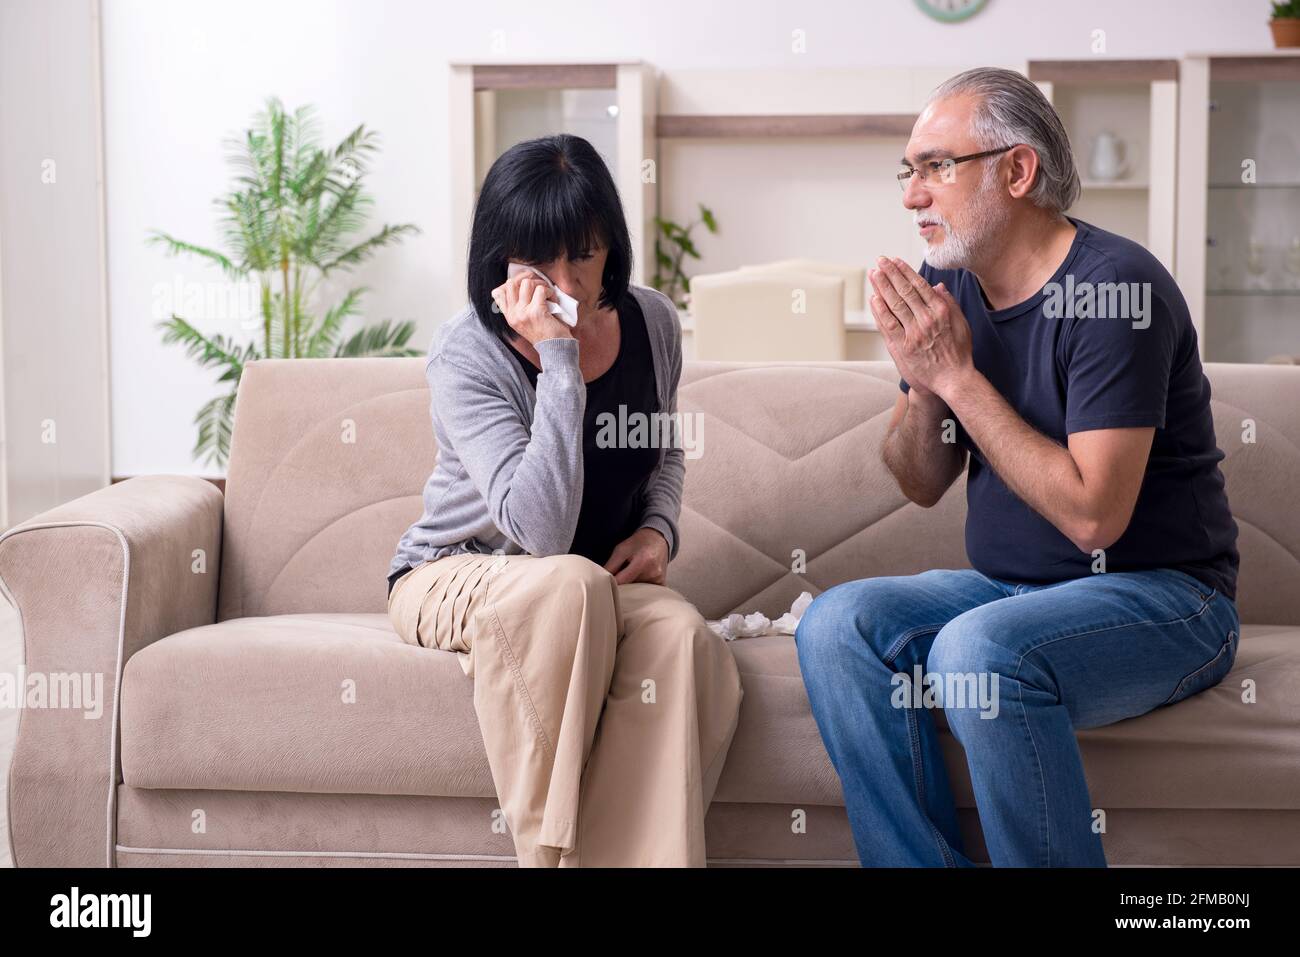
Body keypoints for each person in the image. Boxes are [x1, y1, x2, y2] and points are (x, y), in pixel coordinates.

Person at [795, 67, 1240, 867]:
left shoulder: (1115, 290)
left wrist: (960, 376)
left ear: (1017, 170)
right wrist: (927, 384)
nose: (911, 195)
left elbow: (1093, 515)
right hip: (1012, 593)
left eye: (936, 166)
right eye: (908, 171)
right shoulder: (949, 284)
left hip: (1170, 598)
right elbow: (920, 480)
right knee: (836, 627)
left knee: (980, 651)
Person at [387, 133, 743, 867]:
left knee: (681, 634)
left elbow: (663, 448)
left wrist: (658, 531)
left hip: (588, 584)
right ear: (499, 259)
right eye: (537, 260)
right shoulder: (468, 352)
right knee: (569, 581)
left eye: (582, 253)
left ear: (611, 245)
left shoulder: (651, 323)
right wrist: (556, 356)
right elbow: (540, 532)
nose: (564, 282)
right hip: (460, 569)